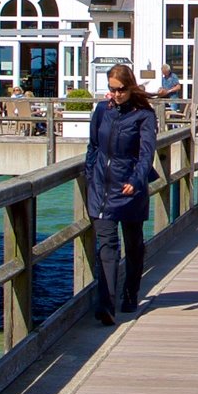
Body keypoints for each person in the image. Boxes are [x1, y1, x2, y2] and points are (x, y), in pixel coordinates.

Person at [83, 64, 159, 325]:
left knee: (133, 242)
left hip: (129, 187)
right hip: (101, 187)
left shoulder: (144, 116)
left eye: (120, 90)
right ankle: (106, 305)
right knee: (107, 245)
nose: (115, 94)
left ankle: (130, 292)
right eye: (111, 89)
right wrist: (90, 174)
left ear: (130, 87)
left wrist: (136, 180)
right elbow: (93, 145)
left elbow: (147, 154)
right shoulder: (103, 110)